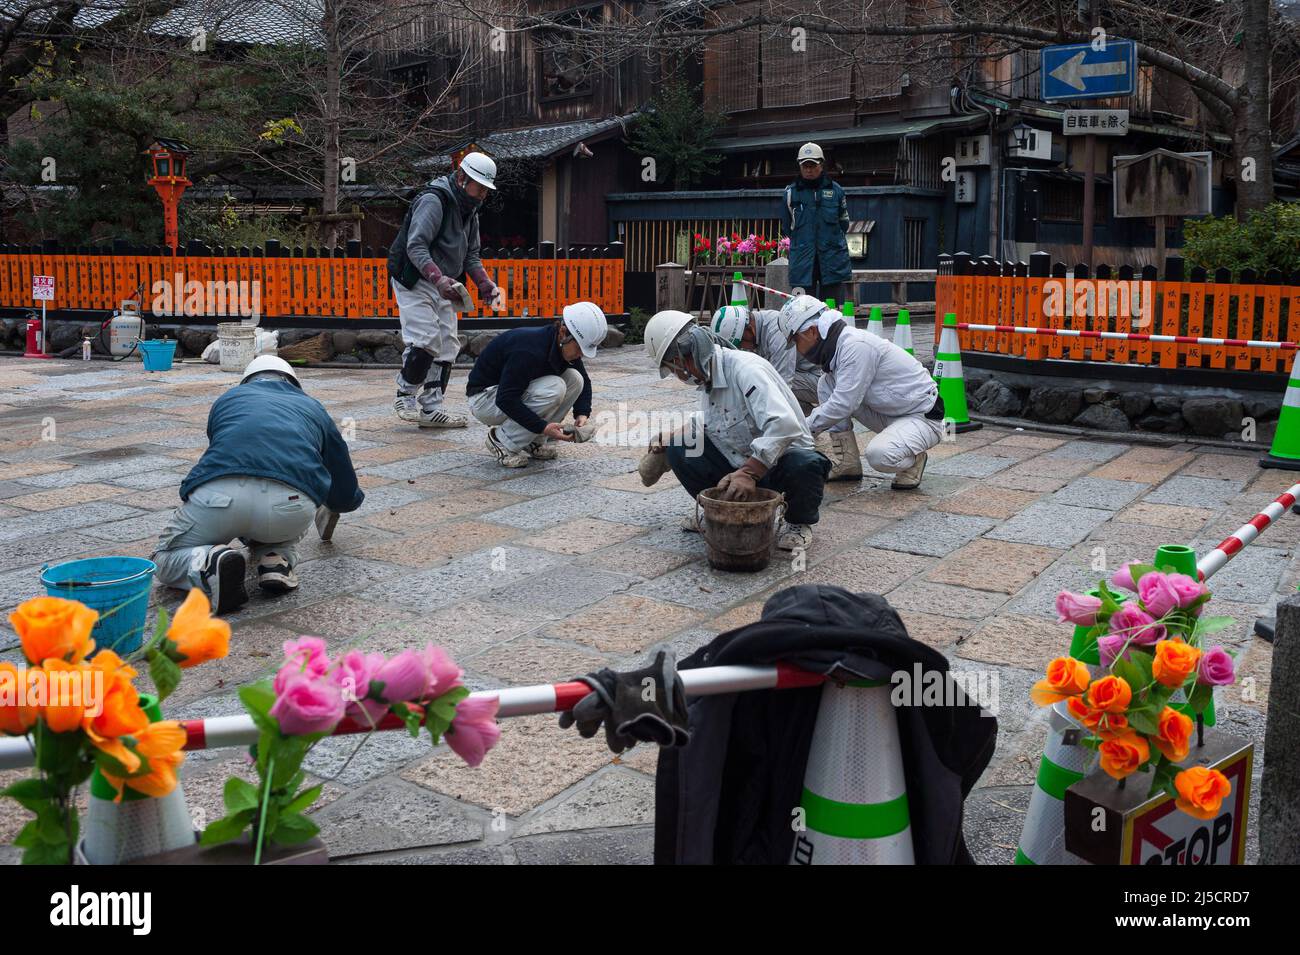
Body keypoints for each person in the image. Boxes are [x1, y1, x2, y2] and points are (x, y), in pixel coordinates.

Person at [151, 356, 364, 614]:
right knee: (281, 521)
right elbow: (342, 488)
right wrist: (342, 500)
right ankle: (277, 560)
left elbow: (224, 448)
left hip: (220, 496)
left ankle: (207, 562)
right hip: (289, 504)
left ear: (246, 380)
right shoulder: (313, 407)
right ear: (294, 383)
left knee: (164, 558)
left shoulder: (228, 399)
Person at [639, 310, 831, 551]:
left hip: (780, 464)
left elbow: (784, 425)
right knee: (682, 447)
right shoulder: (709, 379)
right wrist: (670, 437)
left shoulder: (746, 369)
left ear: (682, 359)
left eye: (673, 370)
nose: (678, 376)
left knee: (806, 463)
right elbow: (711, 422)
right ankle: (717, 511)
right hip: (743, 462)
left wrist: (749, 473)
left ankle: (798, 523)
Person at [387, 151, 505, 428]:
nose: (483, 195)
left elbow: (471, 255)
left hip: (445, 283)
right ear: (463, 178)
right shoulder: (434, 200)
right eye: (480, 187)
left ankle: (431, 409)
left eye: (487, 190)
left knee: (448, 344)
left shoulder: (470, 210)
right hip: (415, 277)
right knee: (426, 339)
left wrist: (485, 284)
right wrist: (437, 279)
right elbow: (415, 246)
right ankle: (405, 392)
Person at [776, 293, 943, 490]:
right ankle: (848, 464)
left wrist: (799, 432)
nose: (797, 348)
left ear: (812, 331)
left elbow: (844, 403)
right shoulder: (838, 349)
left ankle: (914, 458)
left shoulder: (855, 346)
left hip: (921, 417)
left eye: (796, 341)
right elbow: (841, 401)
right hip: (891, 411)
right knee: (826, 384)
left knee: (879, 455)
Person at [467, 302, 607, 468]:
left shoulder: (561, 346)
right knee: (555, 387)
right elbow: (505, 399)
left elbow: (584, 380)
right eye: (579, 348)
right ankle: (502, 440)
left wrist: (582, 413)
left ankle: (532, 440)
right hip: (485, 399)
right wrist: (543, 426)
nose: (581, 354)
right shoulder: (529, 350)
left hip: (503, 395)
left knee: (575, 379)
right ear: (563, 333)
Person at [780, 143, 851, 306]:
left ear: (821, 164)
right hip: (802, 261)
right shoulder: (790, 194)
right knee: (802, 310)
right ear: (800, 166)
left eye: (813, 165)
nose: (809, 169)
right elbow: (787, 227)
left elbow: (844, 224)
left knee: (832, 311)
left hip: (832, 260)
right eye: (805, 165)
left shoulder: (837, 191)